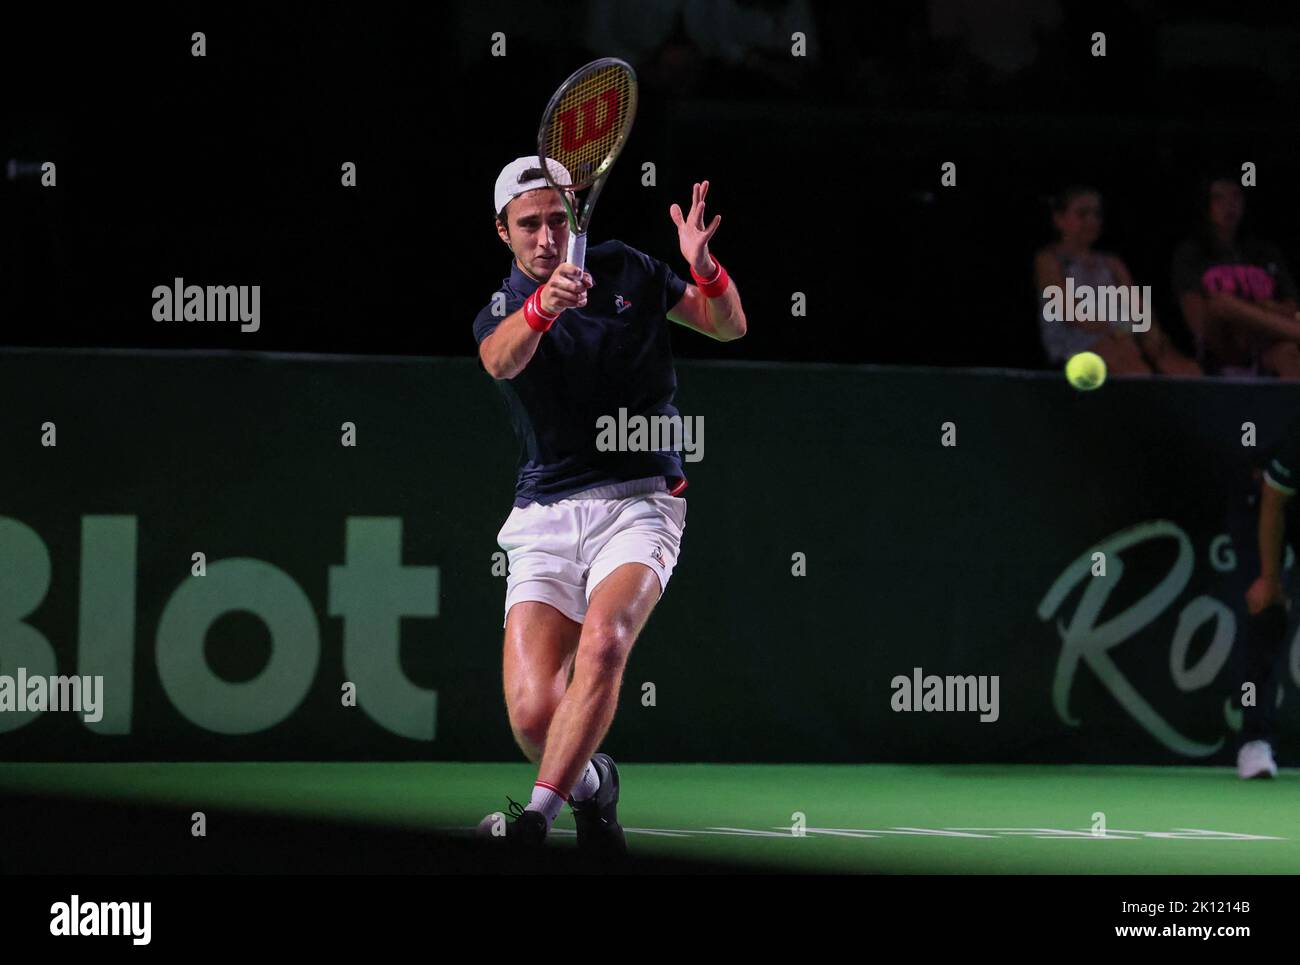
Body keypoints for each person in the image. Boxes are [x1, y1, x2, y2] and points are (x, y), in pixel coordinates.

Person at [471, 157, 746, 853]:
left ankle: (534, 817)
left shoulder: (628, 269)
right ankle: (594, 787)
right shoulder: (501, 309)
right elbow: (501, 359)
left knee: (606, 640)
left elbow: (727, 324)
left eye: (558, 220)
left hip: (643, 500)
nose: (545, 237)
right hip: (545, 514)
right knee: (535, 717)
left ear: (576, 218)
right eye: (528, 225)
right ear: (502, 232)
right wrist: (547, 304)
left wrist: (703, 265)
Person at [1034, 186, 1200, 376]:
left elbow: (1137, 307)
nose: (1091, 221)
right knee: (1132, 366)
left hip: (1120, 333)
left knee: (1184, 368)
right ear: (1059, 219)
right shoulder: (1048, 260)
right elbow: (1071, 314)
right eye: (1082, 214)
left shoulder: (1111, 263)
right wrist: (1121, 328)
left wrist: (1151, 332)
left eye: (1096, 214)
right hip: (1076, 342)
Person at [1172, 177, 1300, 377]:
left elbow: (1292, 306)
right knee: (1221, 303)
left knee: (1288, 353)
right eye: (1218, 199)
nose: (1229, 205)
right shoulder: (1191, 253)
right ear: (1206, 205)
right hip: (1224, 347)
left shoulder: (1265, 252)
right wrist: (1260, 308)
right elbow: (1199, 324)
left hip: (1266, 342)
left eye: (1235, 197)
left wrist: (1262, 312)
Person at [1237, 418, 1300, 778]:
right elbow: (1273, 504)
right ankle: (1254, 742)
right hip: (1273, 510)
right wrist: (1270, 579)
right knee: (1265, 612)